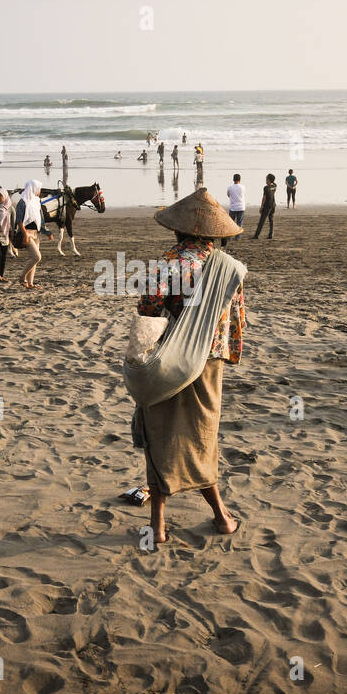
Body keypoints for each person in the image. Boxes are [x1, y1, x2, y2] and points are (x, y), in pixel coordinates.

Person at [133, 188, 245, 546]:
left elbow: (148, 309)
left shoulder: (169, 262)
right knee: (202, 436)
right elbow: (236, 321)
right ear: (214, 233)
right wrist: (223, 352)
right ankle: (222, 517)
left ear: (178, 230)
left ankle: (159, 526)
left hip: (169, 359)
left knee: (160, 434)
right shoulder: (230, 269)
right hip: (209, 362)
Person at [17, 179, 44, 289]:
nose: (40, 191)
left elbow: (40, 218)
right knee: (37, 257)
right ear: (33, 188)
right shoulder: (22, 202)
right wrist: (25, 234)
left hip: (35, 233)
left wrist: (46, 231)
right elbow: (19, 220)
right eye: (39, 189)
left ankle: (30, 283)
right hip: (26, 232)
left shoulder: (36, 201)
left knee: (34, 259)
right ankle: (22, 277)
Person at [222, 174, 244, 247]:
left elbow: (228, 195)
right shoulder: (243, 187)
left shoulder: (230, 187)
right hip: (241, 207)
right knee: (239, 223)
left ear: (233, 179)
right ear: (240, 180)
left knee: (230, 223)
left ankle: (229, 237)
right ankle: (238, 237)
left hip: (233, 207)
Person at [253, 173, 277, 239]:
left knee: (262, 221)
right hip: (273, 205)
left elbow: (264, 198)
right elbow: (274, 183)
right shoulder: (274, 186)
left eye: (266, 179)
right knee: (271, 220)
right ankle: (271, 234)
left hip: (267, 206)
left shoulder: (266, 188)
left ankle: (256, 235)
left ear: (269, 180)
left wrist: (261, 207)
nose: (266, 180)